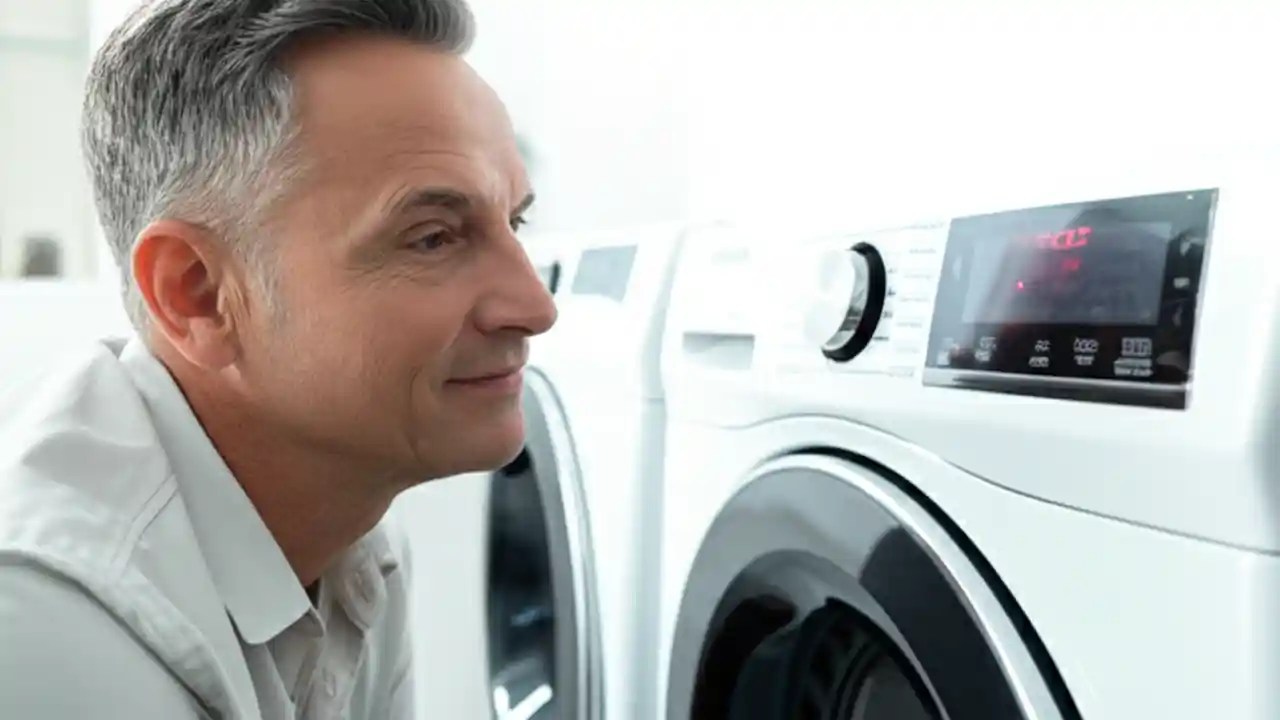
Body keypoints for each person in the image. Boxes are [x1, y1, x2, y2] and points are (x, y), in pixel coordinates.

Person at [0, 0, 556, 717]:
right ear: (197, 294)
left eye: (514, 222)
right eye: (433, 238)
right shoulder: (44, 643)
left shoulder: (352, 539)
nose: (535, 306)